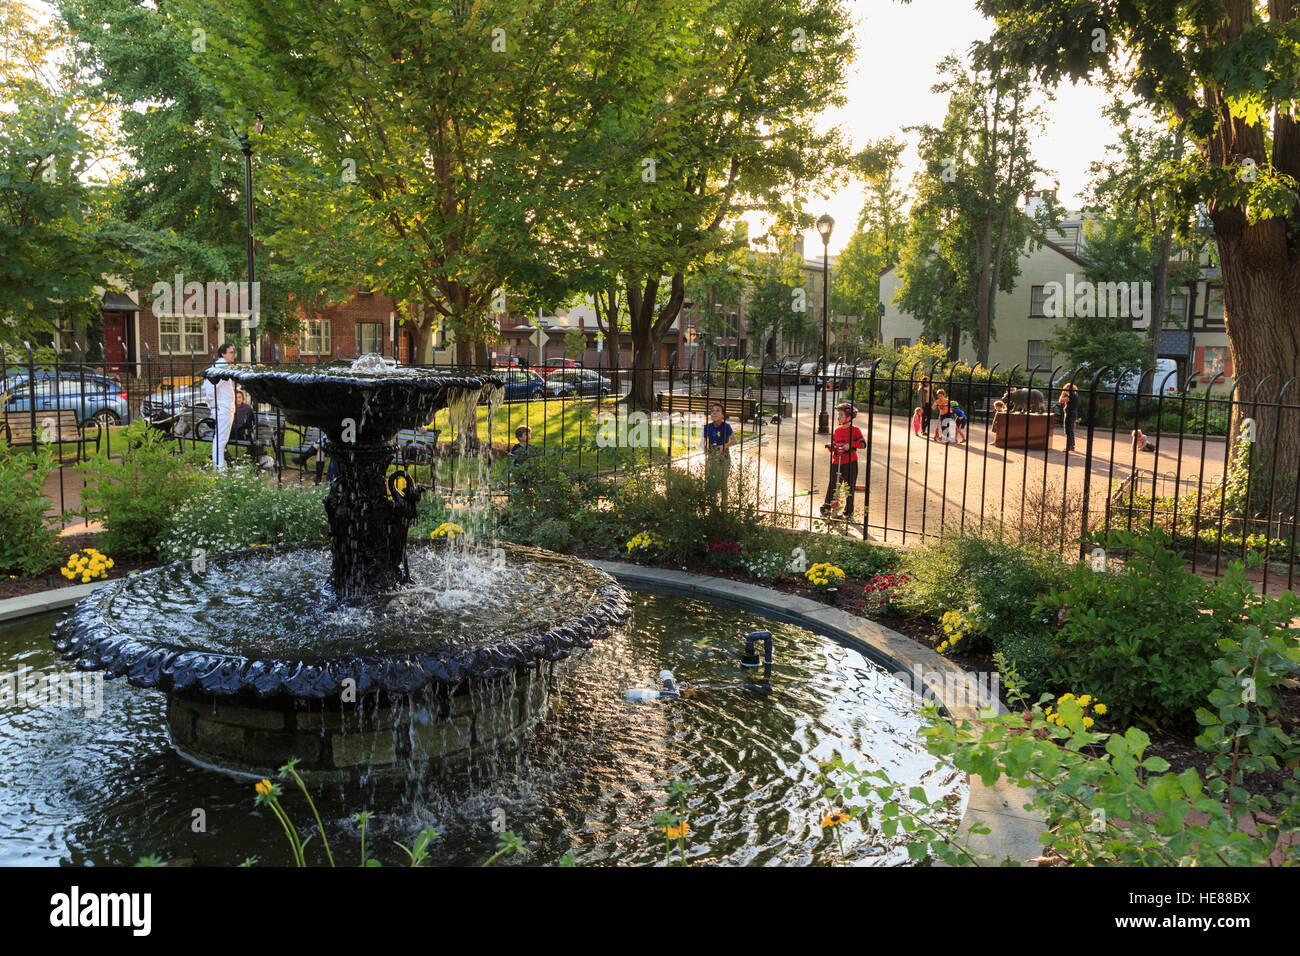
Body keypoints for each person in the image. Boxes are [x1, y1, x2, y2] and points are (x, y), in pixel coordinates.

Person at [820, 402, 866, 521]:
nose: (838, 417)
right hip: (837, 462)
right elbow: (835, 444)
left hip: (851, 463)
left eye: (841, 415)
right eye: (838, 414)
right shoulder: (837, 431)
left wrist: (850, 445)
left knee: (849, 487)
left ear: (849, 417)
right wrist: (832, 447)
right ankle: (826, 508)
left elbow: (863, 444)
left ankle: (849, 511)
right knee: (833, 486)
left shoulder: (855, 430)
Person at [201, 343, 236, 470]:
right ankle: (219, 467)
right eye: (231, 352)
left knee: (221, 438)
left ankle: (220, 465)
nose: (233, 355)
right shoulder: (221, 367)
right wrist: (214, 405)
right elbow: (210, 389)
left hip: (225, 407)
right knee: (221, 439)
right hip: (223, 408)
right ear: (223, 354)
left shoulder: (222, 366)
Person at [1058, 383, 1081, 452]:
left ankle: (1069, 446)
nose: (1065, 391)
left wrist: (1062, 393)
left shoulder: (1070, 396)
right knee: (1070, 430)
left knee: (1068, 430)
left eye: (1065, 389)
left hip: (1069, 414)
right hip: (1073, 413)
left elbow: (1060, 401)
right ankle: (1071, 445)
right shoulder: (1076, 395)